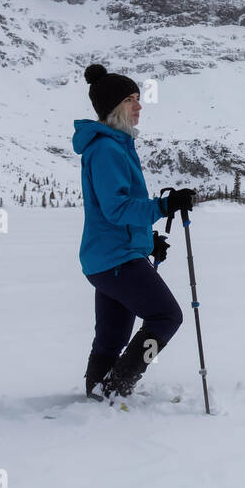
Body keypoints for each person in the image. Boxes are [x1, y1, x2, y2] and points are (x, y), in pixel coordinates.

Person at [72, 63, 195, 398]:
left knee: (112, 336)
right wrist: (163, 207)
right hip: (116, 259)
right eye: (130, 99)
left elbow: (112, 209)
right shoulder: (108, 149)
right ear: (115, 107)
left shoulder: (112, 145)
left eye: (138, 98)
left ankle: (99, 389)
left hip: (109, 257)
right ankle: (120, 383)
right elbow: (116, 209)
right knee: (167, 317)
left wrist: (146, 240)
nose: (139, 106)